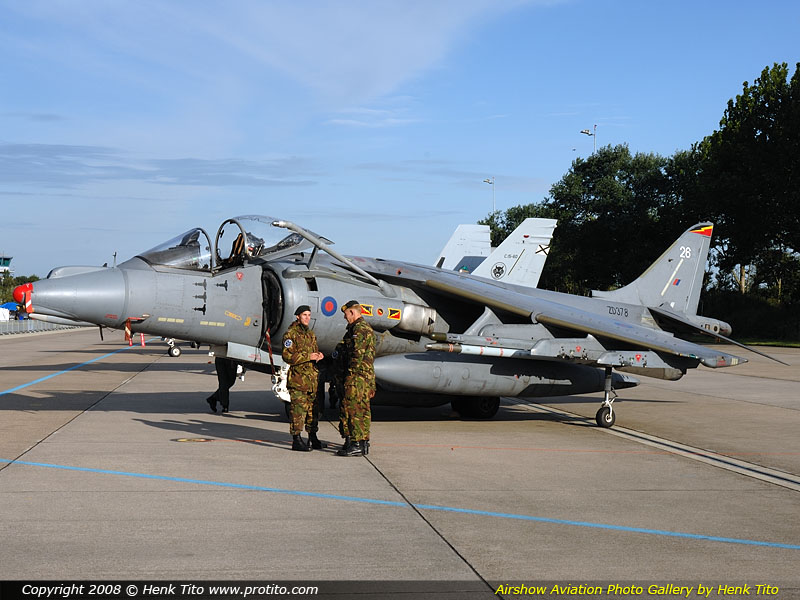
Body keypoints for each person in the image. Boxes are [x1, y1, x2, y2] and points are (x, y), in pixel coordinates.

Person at [282, 305, 326, 451]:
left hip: (311, 379)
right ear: (297, 316)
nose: (307, 317)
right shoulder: (290, 335)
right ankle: (297, 439)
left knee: (313, 410)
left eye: (309, 315)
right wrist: (309, 356)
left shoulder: (311, 334)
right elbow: (287, 356)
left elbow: (313, 352)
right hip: (298, 380)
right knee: (298, 410)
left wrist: (318, 356)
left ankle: (313, 437)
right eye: (304, 315)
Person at [337, 300, 376, 457]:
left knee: (354, 409)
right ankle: (363, 442)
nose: (345, 318)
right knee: (363, 409)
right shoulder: (365, 328)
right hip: (365, 376)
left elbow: (357, 355)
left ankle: (356, 443)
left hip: (357, 377)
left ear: (352, 312)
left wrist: (349, 375)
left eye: (346, 314)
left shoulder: (358, 330)